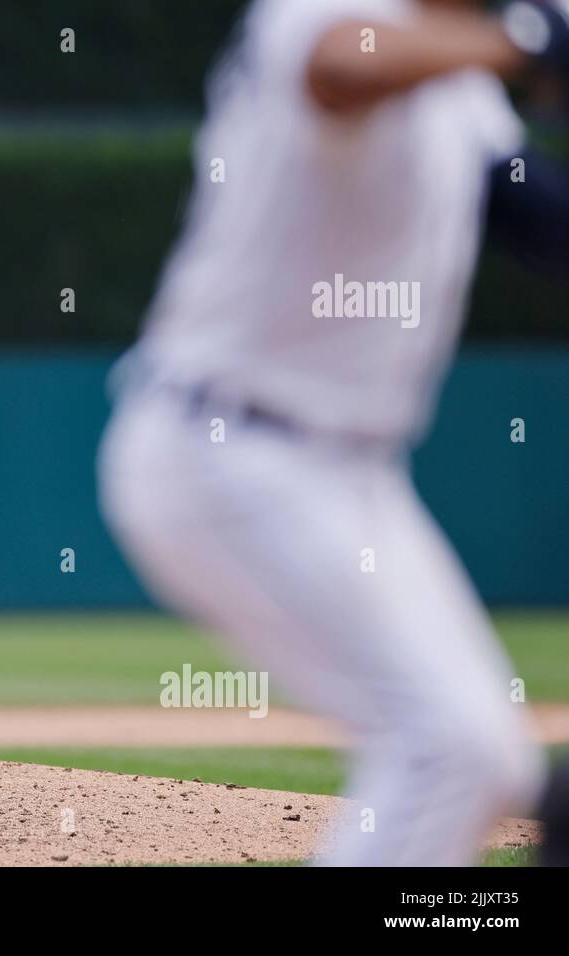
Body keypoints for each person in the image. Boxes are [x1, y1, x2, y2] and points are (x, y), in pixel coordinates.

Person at [98, 0, 567, 864]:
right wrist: (531, 40)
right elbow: (340, 68)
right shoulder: (327, 12)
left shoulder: (459, 87)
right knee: (446, 749)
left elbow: (538, 214)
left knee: (491, 757)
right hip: (228, 446)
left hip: (349, 474)